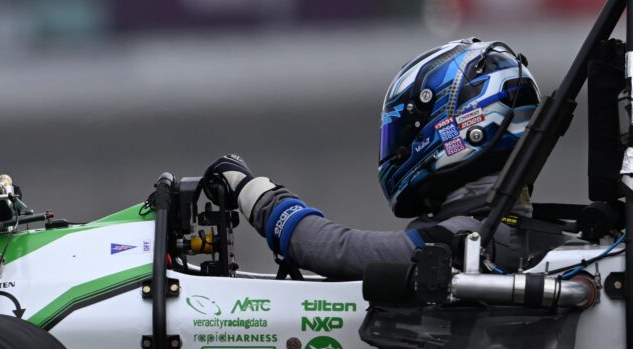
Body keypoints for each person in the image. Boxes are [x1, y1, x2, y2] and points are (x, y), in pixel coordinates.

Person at [205, 38, 541, 279]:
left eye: (405, 129)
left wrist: (256, 194)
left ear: (464, 126)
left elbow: (338, 251)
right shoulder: (519, 234)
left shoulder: (469, 240)